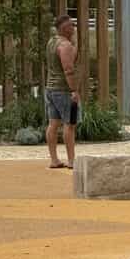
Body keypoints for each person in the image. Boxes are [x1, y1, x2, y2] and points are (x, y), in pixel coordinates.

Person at [44, 14, 79, 169]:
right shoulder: (65, 46)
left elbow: (72, 57)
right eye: (71, 25)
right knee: (69, 124)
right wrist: (74, 90)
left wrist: (75, 42)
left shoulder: (52, 42)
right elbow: (69, 69)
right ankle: (72, 161)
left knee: (53, 124)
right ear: (65, 29)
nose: (74, 27)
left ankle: (54, 160)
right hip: (64, 90)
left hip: (50, 89)